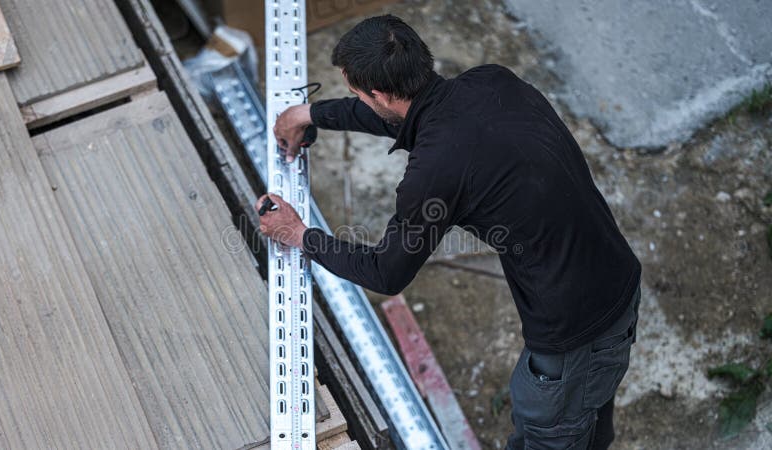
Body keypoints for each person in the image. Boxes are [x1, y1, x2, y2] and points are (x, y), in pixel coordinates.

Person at [256, 14, 641, 450]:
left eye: (356, 92)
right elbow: (401, 118)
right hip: (617, 276)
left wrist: (299, 233)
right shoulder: (492, 82)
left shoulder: (434, 174)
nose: (357, 99)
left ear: (377, 93)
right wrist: (309, 114)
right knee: (588, 415)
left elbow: (386, 273)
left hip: (577, 333)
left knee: (551, 431)